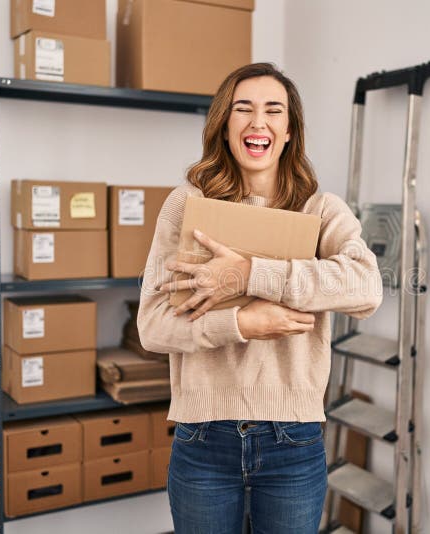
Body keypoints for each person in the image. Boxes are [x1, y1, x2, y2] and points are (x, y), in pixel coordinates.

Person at [137, 62, 383, 534]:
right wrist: (241, 325)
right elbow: (153, 327)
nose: (258, 122)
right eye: (243, 109)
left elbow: (366, 287)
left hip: (292, 441)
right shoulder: (185, 205)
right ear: (224, 126)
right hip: (204, 437)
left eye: (274, 110)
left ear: (289, 130)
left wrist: (248, 274)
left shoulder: (320, 209)